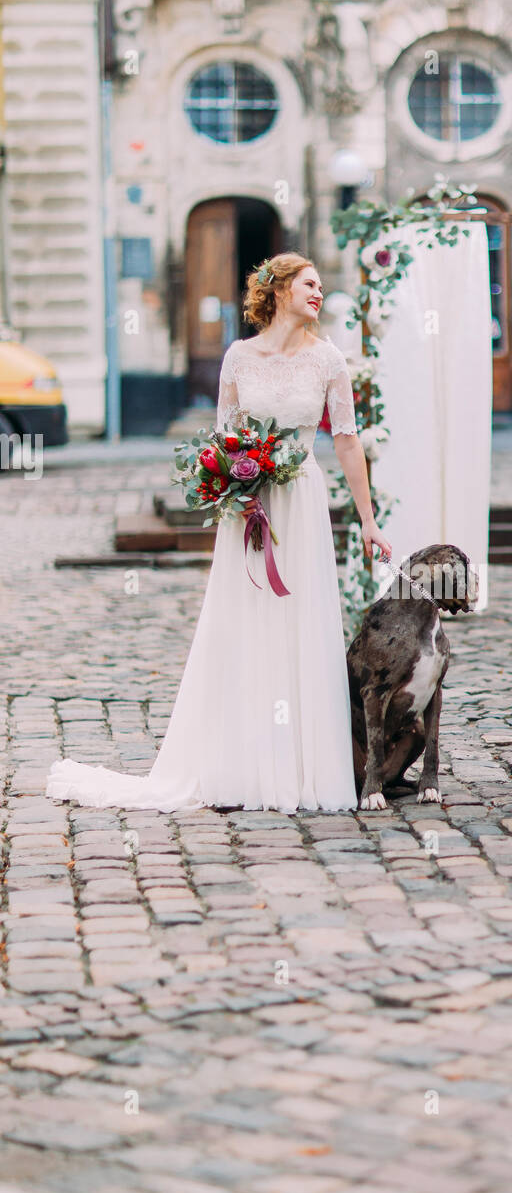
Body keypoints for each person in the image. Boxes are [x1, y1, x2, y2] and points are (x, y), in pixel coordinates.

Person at [47, 252, 391, 813]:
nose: (320, 293)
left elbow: (347, 441)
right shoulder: (239, 357)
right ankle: (239, 760)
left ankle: (302, 765)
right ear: (278, 290)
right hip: (248, 505)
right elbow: (222, 440)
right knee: (244, 619)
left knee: (301, 620)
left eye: (322, 286)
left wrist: (368, 518)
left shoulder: (329, 360)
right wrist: (228, 481)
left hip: (300, 499)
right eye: (309, 284)